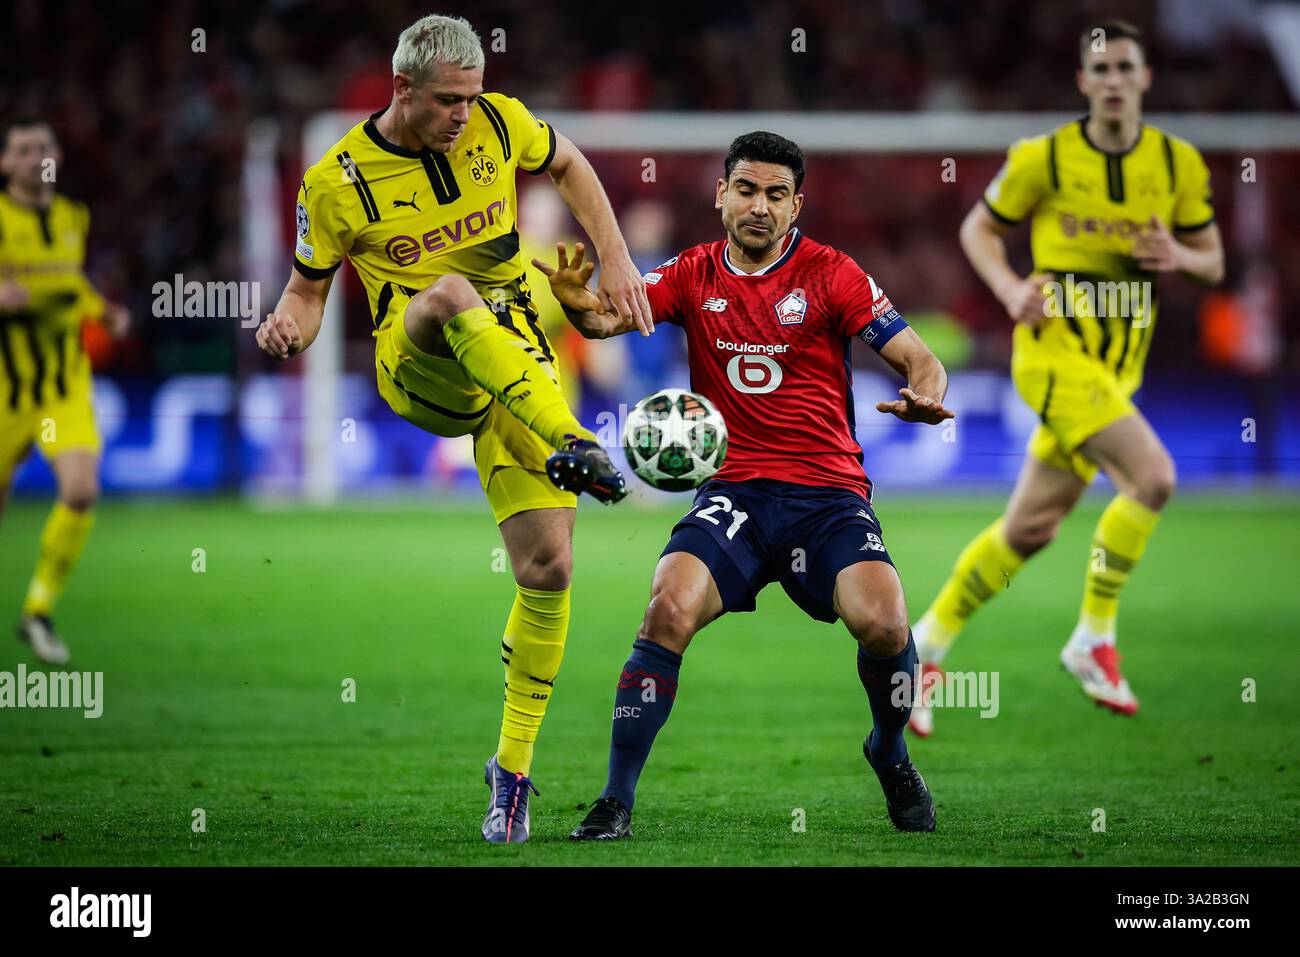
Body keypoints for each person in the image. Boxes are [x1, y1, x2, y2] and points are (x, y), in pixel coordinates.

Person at [256, 14, 652, 843]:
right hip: (421, 360)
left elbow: (570, 162)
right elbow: (307, 289)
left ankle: (511, 771)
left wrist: (615, 256)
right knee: (448, 294)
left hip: (514, 356)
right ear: (402, 89)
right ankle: (574, 437)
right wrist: (289, 324)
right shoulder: (334, 181)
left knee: (548, 569)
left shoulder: (501, 121)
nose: (465, 116)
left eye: (473, 99)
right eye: (447, 102)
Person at [534, 131, 955, 838]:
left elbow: (920, 357)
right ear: (721, 194)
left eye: (777, 194)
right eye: (748, 189)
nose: (760, 206)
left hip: (827, 497)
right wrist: (579, 304)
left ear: (797, 205)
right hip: (734, 496)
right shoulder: (693, 274)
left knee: (885, 623)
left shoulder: (833, 274)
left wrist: (925, 392)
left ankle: (888, 748)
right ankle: (615, 800)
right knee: (666, 607)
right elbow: (609, 318)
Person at [909, 19, 1224, 735]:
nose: (1113, 79)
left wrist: (1176, 252)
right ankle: (1094, 636)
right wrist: (1010, 287)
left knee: (1031, 529)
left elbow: (1213, 261)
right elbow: (977, 230)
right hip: (1053, 356)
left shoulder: (1179, 166)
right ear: (1084, 83)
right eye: (1101, 69)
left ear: (1145, 78)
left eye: (1125, 67)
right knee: (1155, 477)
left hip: (1117, 371)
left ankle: (923, 646)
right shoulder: (1043, 158)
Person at [0, 116, 130, 664]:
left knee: (80, 490)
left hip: (62, 385)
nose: (36, 157)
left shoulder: (74, 216)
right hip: (5, 390)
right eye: (24, 150)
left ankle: (38, 609)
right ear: (6, 163)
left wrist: (103, 310)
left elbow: (69, 280)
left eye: (44, 147)